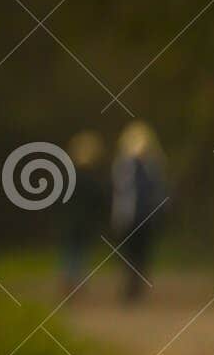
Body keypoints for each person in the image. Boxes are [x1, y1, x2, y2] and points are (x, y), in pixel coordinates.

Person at [111, 121, 168, 302]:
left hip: (135, 218)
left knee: (135, 253)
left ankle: (133, 286)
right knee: (137, 253)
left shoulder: (127, 166)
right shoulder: (144, 166)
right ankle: (133, 286)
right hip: (134, 218)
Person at [59, 131, 108, 293]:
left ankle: (70, 279)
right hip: (84, 222)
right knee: (80, 251)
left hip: (70, 221)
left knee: (71, 250)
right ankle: (76, 281)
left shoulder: (68, 177)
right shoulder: (92, 179)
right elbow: (99, 201)